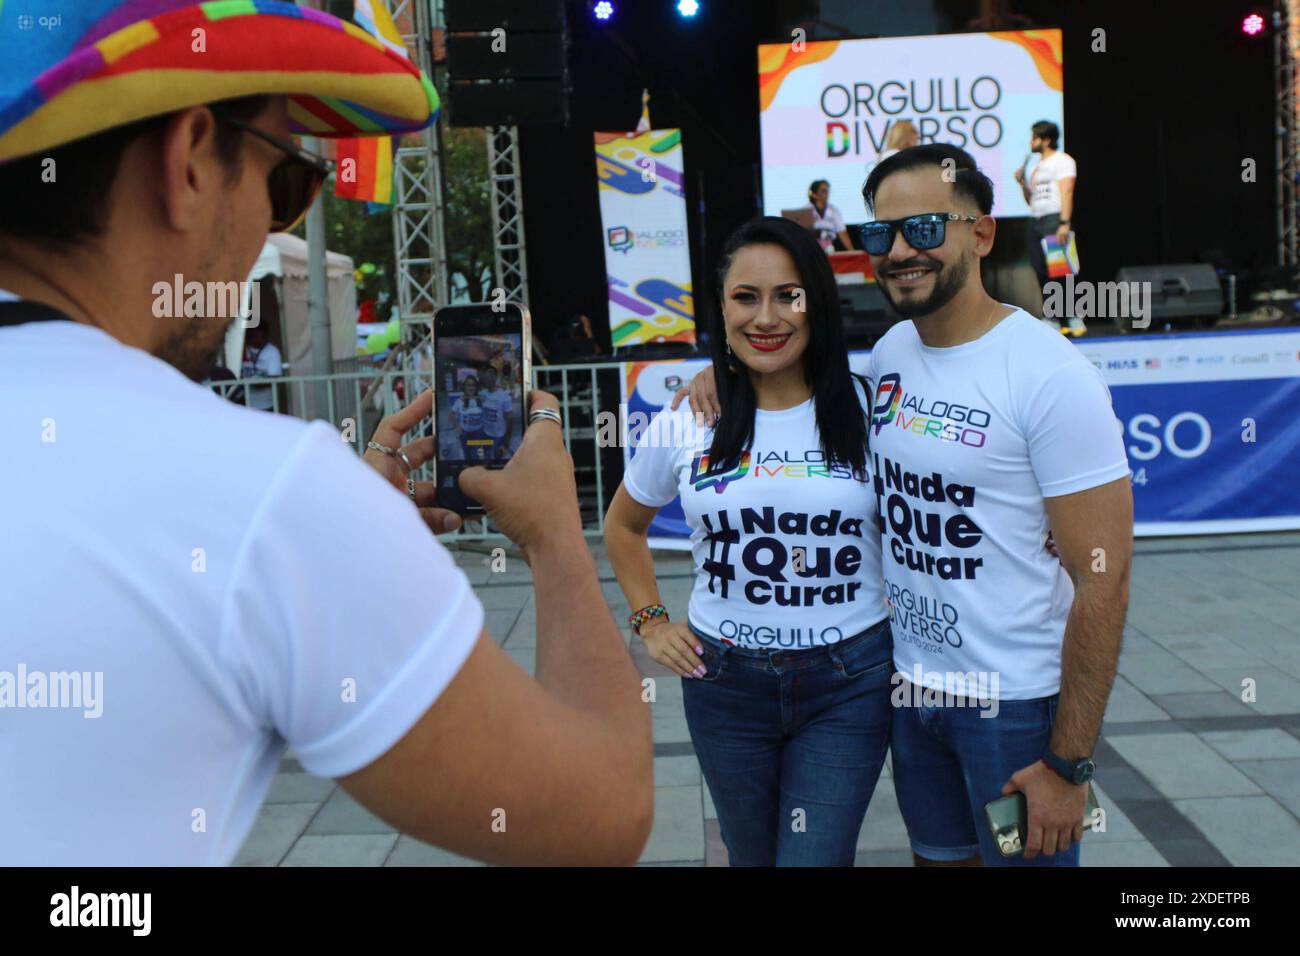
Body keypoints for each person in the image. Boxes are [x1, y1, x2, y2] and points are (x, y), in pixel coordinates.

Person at [0, 0, 651, 866]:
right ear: (189, 159)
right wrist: (558, 540)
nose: (273, 225)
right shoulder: (258, 496)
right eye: (287, 183)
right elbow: (602, 810)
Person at [678, 144, 1133, 867]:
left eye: (924, 228)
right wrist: (723, 369)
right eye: (879, 234)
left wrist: (1068, 765)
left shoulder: (1050, 375)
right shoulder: (890, 353)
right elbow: (789, 369)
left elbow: (1104, 580)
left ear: (980, 234)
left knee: (1026, 865)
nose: (899, 251)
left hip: (1009, 713)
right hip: (912, 698)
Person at [605, 216, 892, 867]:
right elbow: (622, 526)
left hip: (849, 682)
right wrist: (650, 622)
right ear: (721, 307)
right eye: (745, 297)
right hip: (724, 684)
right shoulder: (692, 417)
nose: (768, 316)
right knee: (750, 857)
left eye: (789, 295)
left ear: (817, 301)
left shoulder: (871, 407)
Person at [1014, 120, 1084, 335]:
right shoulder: (1034, 167)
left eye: (1034, 137)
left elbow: (1067, 192)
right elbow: (1031, 200)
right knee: (1041, 271)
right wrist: (1022, 184)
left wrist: (1064, 222)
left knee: (1061, 271)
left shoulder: (1063, 161)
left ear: (1047, 140)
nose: (1031, 141)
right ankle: (1052, 316)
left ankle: (1072, 317)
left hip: (1055, 220)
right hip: (1036, 220)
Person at [240, 321, 282, 411]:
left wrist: (252, 382)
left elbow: (274, 379)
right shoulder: (241, 351)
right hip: (244, 405)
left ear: (265, 335)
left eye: (259, 336)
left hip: (266, 405)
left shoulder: (272, 351)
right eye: (253, 336)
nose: (256, 339)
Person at [479, 365, 515, 460]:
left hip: (498, 437)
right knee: (486, 457)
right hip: (485, 434)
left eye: (491, 376)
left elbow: (510, 420)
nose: (489, 378)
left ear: (496, 377)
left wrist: (506, 441)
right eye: (486, 376)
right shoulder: (482, 393)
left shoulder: (504, 396)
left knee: (497, 459)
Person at [807, 179, 852, 253]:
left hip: (830, 246)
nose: (827, 193)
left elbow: (842, 232)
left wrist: (852, 251)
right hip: (811, 247)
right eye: (823, 191)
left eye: (828, 190)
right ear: (814, 194)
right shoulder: (806, 210)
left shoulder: (834, 210)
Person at [451, 373, 489, 461]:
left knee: (475, 455)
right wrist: (456, 426)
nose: (471, 388)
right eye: (468, 385)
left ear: (476, 387)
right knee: (466, 454)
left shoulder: (481, 399)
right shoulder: (460, 401)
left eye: (473, 385)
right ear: (465, 387)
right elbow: (451, 415)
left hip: (478, 433)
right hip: (464, 433)